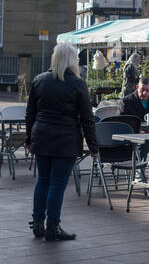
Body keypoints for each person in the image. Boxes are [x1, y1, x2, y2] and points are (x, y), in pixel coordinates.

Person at [26, 42, 99, 241]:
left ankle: (38, 222)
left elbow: (30, 113)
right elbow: (87, 118)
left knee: (42, 181)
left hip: (41, 137)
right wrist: (93, 146)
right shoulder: (77, 83)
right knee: (57, 185)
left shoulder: (39, 80)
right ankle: (52, 226)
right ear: (71, 60)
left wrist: (28, 138)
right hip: (65, 140)